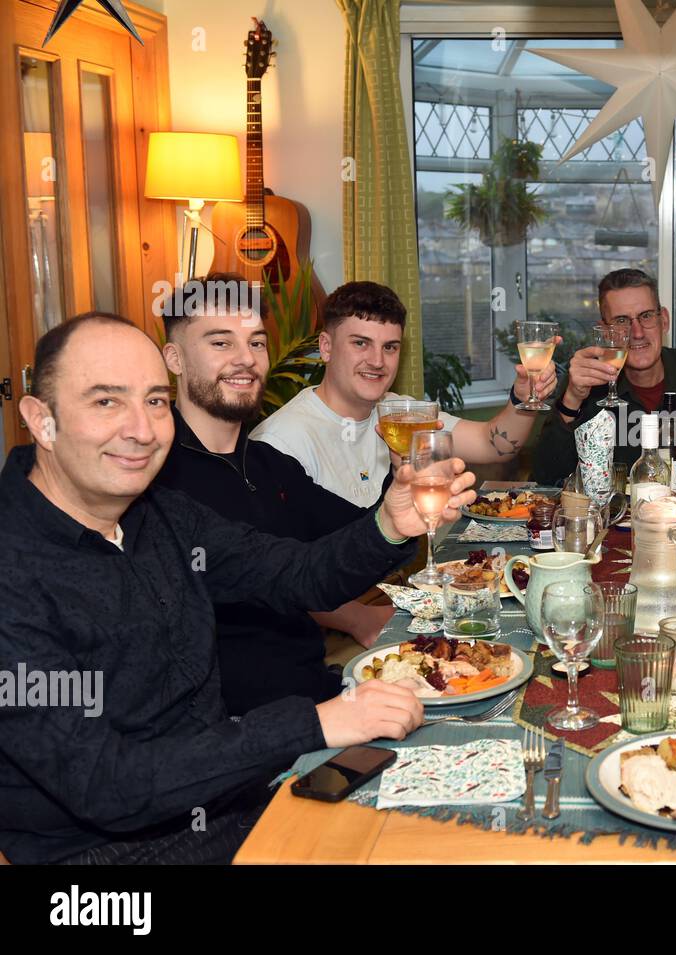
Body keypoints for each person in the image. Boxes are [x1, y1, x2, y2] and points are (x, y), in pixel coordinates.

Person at [0, 313, 476, 864]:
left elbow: (295, 573)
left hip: (231, 797)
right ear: (40, 419)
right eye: (106, 401)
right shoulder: (14, 569)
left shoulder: (162, 515)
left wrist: (390, 524)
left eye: (156, 401)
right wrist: (315, 722)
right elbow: (110, 785)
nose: (141, 428)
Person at [153, 275, 395, 716]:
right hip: (236, 734)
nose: (246, 360)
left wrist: (404, 483)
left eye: (257, 343)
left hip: (318, 693)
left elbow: (357, 542)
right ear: (175, 358)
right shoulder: (154, 478)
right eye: (221, 343)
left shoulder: (268, 462)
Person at [253, 281, 558, 506]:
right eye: (360, 343)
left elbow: (493, 446)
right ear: (326, 347)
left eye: (390, 347)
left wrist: (523, 398)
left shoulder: (402, 413)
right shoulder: (280, 442)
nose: (376, 361)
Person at [532, 268, 676, 485]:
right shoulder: (587, 385)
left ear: (664, 321)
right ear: (605, 332)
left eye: (646, 316)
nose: (637, 333)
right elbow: (546, 478)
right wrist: (572, 399)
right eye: (622, 321)